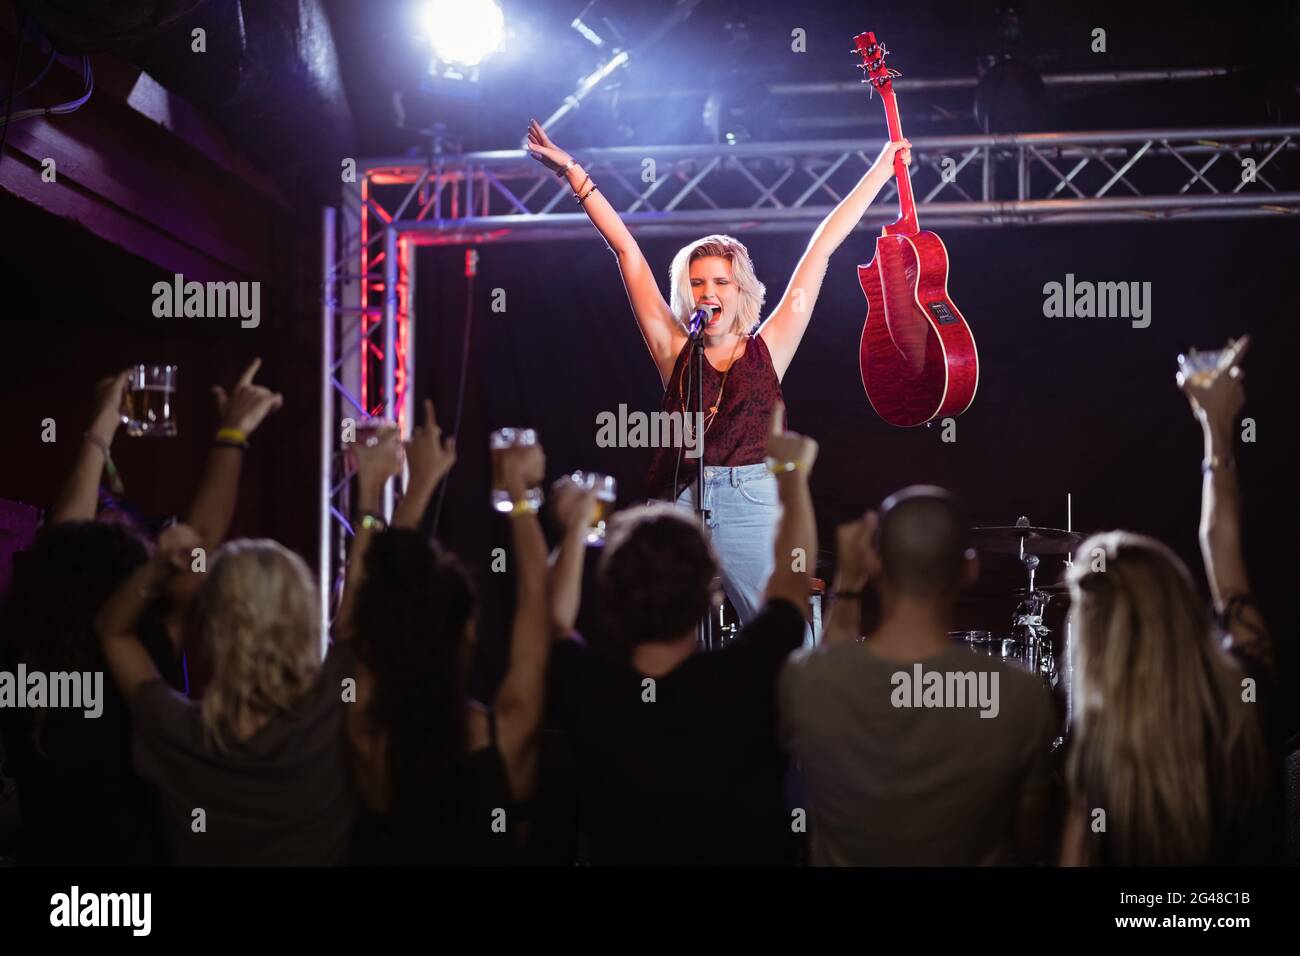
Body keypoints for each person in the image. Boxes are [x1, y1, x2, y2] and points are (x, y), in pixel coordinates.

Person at [526, 118, 910, 625]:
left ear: (740, 291)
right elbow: (628, 254)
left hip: (751, 498)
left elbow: (821, 249)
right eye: (699, 282)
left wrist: (882, 170)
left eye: (722, 282)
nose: (709, 291)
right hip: (681, 496)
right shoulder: (673, 348)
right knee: (659, 623)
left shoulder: (769, 347)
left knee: (784, 630)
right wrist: (573, 173)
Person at [0, 360, 282, 865]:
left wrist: (100, 430)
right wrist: (232, 433)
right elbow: (200, 543)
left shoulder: (22, 646)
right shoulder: (140, 649)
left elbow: (61, 548)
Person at [547, 404, 816, 864]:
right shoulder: (746, 678)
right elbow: (791, 584)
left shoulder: (589, 693)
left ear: (609, 596)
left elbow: (551, 622)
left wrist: (574, 530)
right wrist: (790, 476)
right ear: (710, 592)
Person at [1059, 336, 1278, 865]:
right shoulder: (1244, 698)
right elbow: (1219, 543)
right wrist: (1217, 425)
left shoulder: (1092, 760)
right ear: (1179, 605)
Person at [778, 487, 1056, 865]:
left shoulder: (806, 679)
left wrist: (847, 580)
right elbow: (1031, 841)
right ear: (970, 568)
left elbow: (829, 666)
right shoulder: (1021, 694)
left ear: (873, 562)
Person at [339, 405, 553, 864]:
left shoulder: (368, 735)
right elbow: (537, 595)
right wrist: (516, 490)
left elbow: (371, 602)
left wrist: (386, 490)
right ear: (468, 634)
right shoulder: (507, 735)